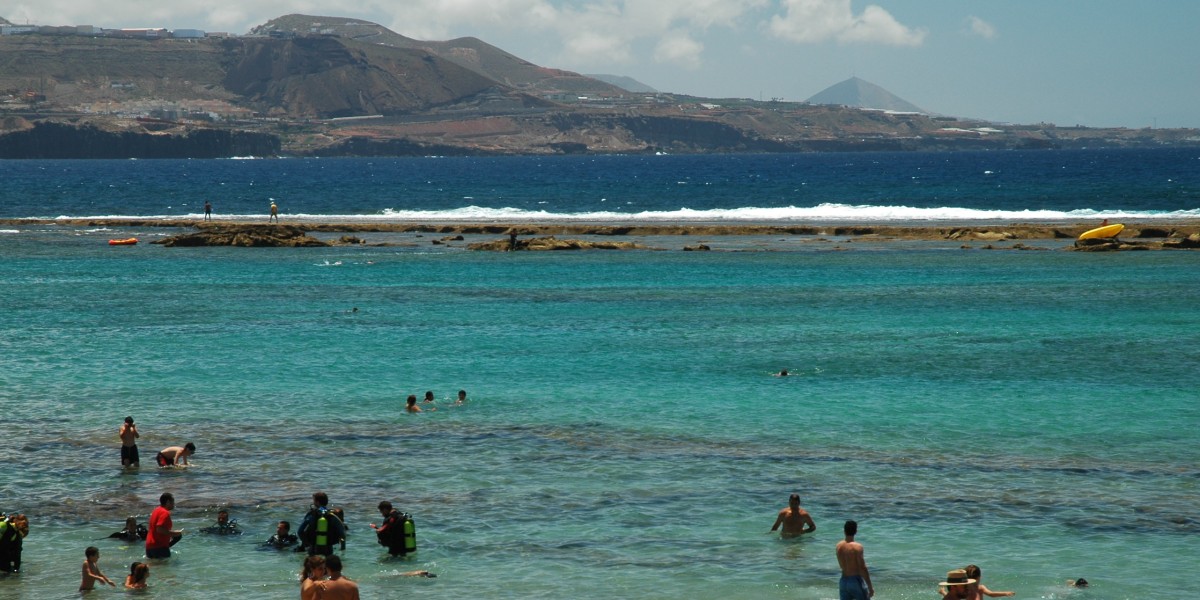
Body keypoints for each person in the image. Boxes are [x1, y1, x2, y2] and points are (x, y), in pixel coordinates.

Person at [297, 492, 346, 557]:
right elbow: (342, 534)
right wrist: (342, 549)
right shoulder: (332, 516)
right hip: (328, 548)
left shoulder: (312, 514)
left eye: (314, 500)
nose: (313, 503)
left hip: (313, 548)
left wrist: (307, 543)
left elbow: (300, 531)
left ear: (317, 502)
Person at [835, 520, 873, 599]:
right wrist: (870, 587)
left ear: (844, 531)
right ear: (856, 531)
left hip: (843, 581)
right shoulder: (857, 547)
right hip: (855, 581)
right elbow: (862, 567)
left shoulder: (838, 546)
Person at [146, 492, 183, 559]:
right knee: (164, 568)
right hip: (159, 547)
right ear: (168, 502)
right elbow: (159, 529)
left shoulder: (155, 510)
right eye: (173, 502)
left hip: (149, 546)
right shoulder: (165, 513)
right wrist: (174, 533)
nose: (174, 504)